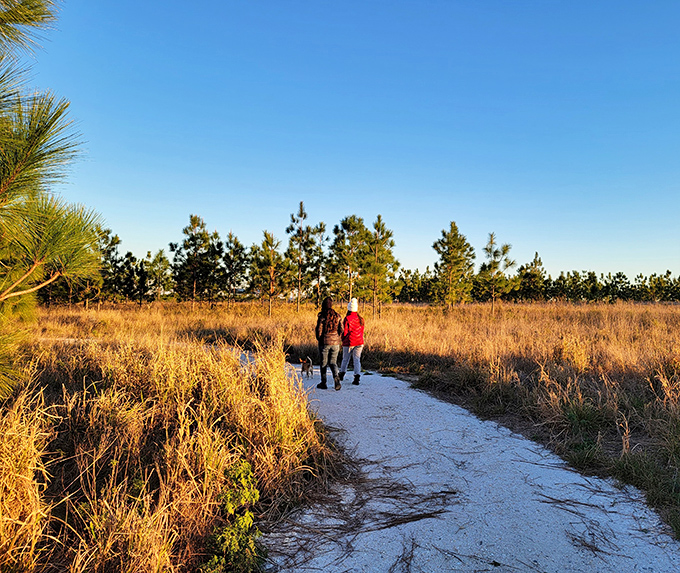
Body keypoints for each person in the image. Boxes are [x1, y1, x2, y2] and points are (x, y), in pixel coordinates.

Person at [315, 296, 343, 390]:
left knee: (323, 364)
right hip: (335, 343)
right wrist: (337, 337)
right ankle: (337, 380)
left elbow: (318, 329)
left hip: (324, 342)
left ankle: (323, 383)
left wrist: (320, 339)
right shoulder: (337, 316)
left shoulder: (322, 316)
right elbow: (341, 329)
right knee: (333, 363)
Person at [339, 297, 364, 385]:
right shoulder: (361, 319)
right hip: (359, 342)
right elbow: (362, 331)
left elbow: (345, 332)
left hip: (349, 342)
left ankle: (341, 374)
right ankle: (357, 377)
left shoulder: (347, 318)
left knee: (345, 359)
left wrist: (342, 340)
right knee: (357, 359)